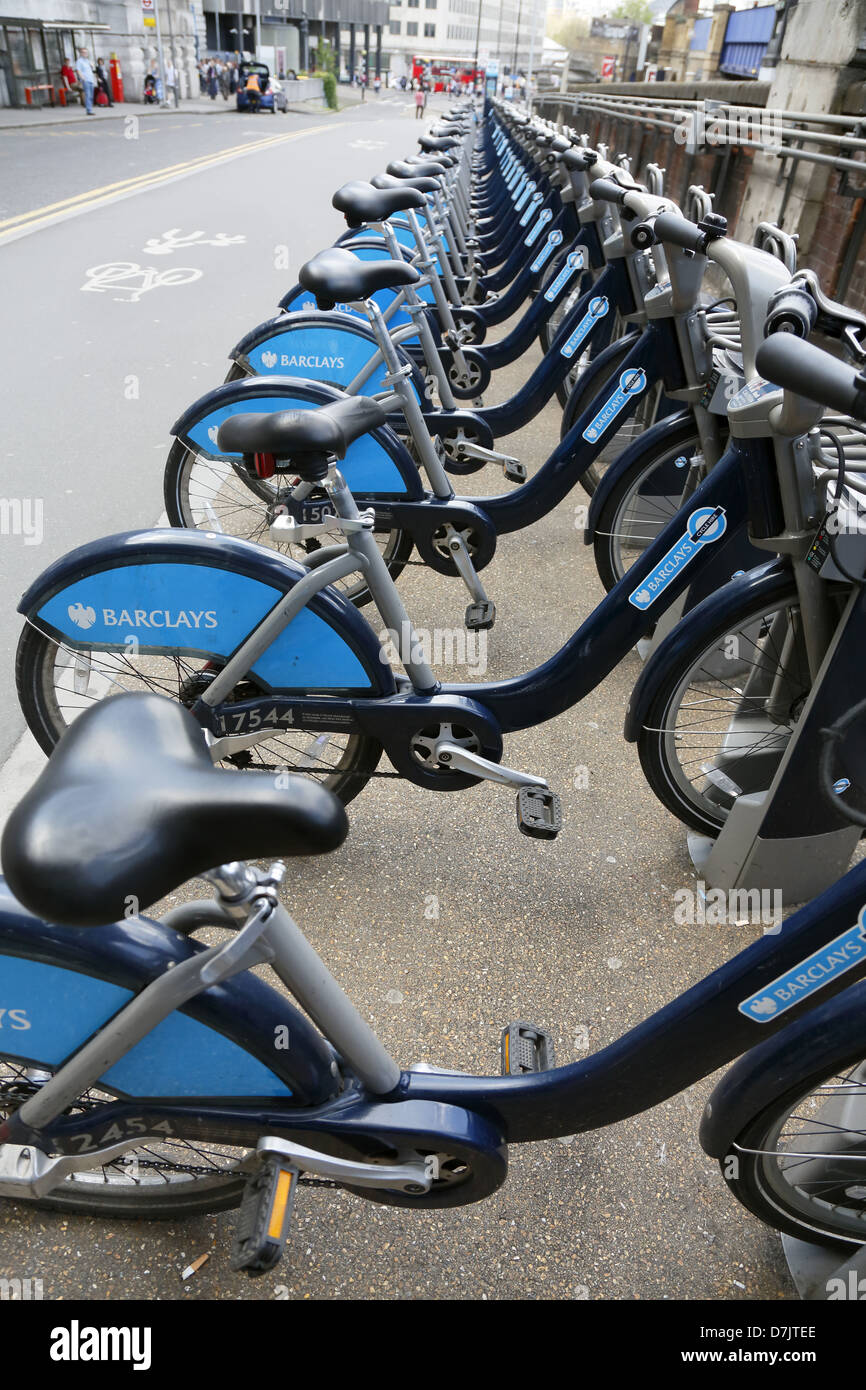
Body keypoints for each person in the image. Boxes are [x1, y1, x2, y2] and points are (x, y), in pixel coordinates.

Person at [75, 47, 95, 114]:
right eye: (83, 52)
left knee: (91, 95)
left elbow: (91, 69)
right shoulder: (79, 61)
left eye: (86, 52)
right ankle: (89, 110)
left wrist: (92, 66)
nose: (85, 53)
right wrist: (82, 78)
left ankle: (90, 108)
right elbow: (78, 70)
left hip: (91, 80)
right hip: (85, 80)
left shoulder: (88, 61)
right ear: (81, 53)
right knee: (88, 95)